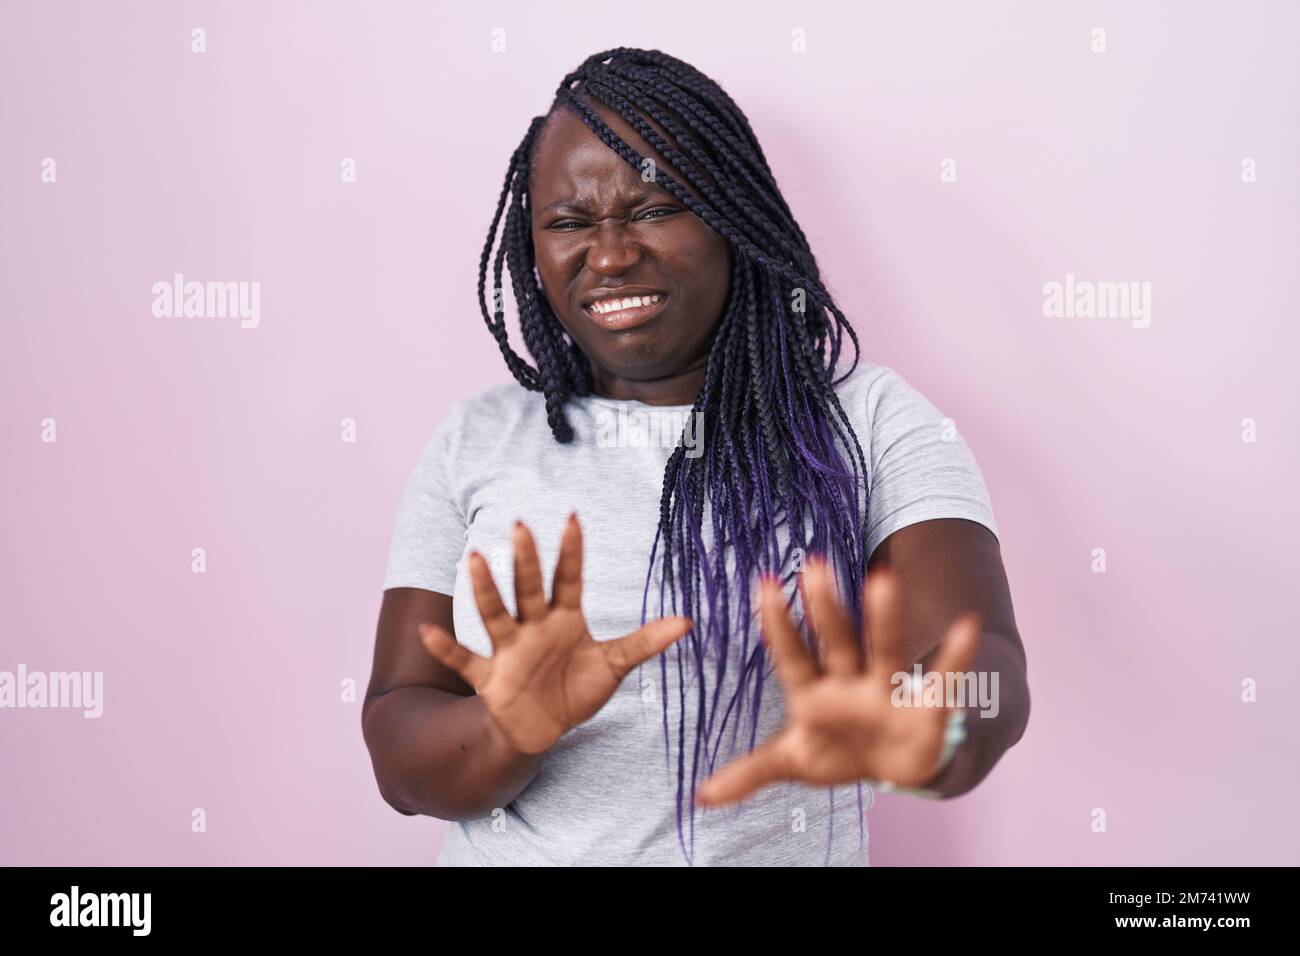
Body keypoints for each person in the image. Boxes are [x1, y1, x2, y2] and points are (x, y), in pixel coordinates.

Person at [363, 48, 1030, 866]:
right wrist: (507, 728)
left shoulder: (873, 420)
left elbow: (987, 674)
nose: (608, 256)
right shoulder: (477, 440)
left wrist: (921, 723)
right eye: (570, 223)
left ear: (733, 221)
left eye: (654, 210)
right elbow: (397, 746)